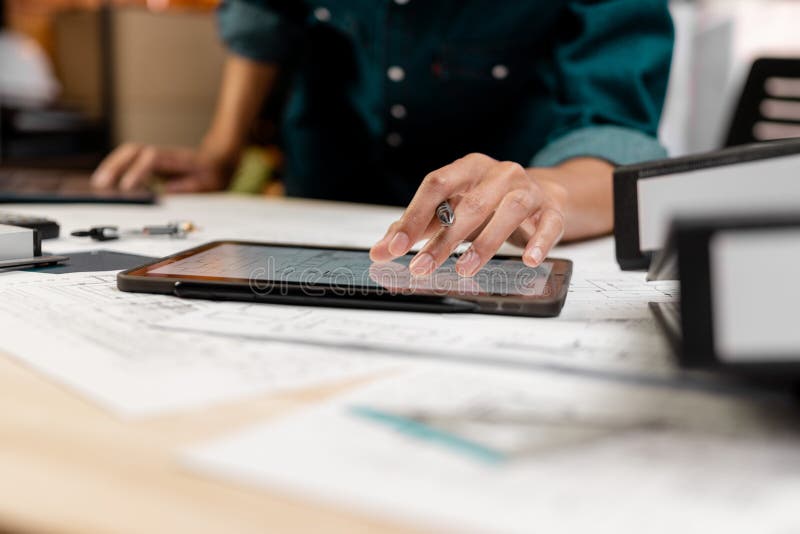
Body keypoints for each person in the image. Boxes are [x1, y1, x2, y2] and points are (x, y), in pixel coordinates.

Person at [92, 0, 674, 277]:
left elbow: (616, 135)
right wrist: (219, 152)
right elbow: (264, 22)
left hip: (495, 251)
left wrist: (547, 192)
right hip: (317, 213)